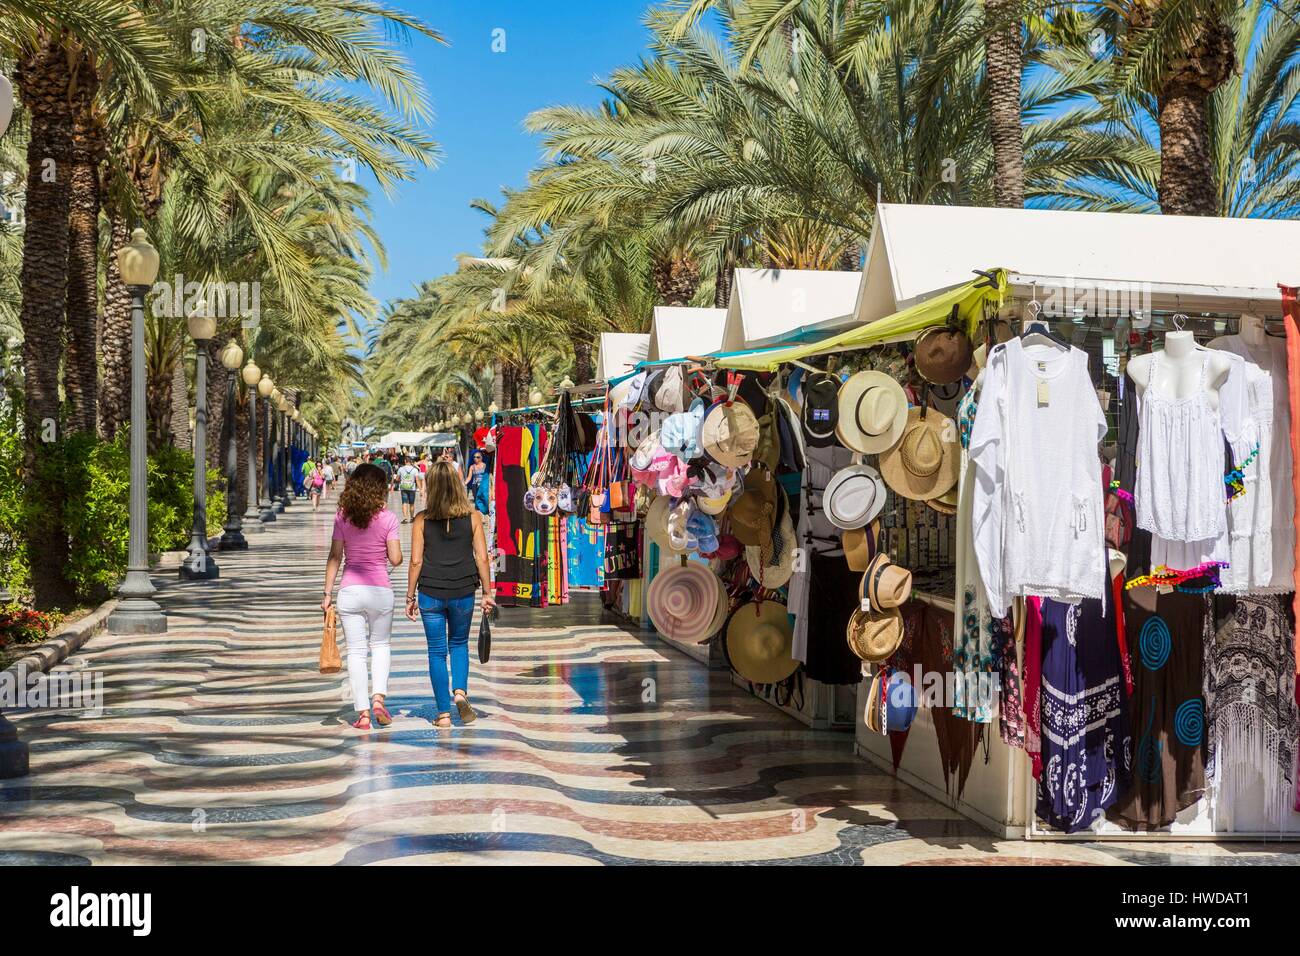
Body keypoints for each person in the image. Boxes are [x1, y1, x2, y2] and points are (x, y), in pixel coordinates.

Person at [406, 460, 496, 729]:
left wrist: (410, 596)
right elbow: (482, 558)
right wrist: (488, 593)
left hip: (430, 593)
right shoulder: (473, 517)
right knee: (458, 644)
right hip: (463, 591)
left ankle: (443, 714)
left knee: (436, 651)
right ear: (458, 485)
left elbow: (415, 561)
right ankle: (460, 692)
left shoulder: (421, 520)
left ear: (430, 487)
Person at [322, 463, 402, 731]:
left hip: (349, 591)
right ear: (380, 488)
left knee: (356, 652)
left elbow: (335, 557)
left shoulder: (342, 517)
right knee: (380, 646)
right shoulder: (389, 519)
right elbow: (396, 558)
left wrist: (326, 594)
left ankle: (364, 714)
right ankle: (379, 698)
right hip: (380, 590)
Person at [395, 455, 422, 523]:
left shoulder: (401, 469)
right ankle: (412, 517)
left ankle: (405, 518)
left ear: (405, 461)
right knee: (411, 503)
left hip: (403, 488)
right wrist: (421, 489)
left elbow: (397, 479)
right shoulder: (415, 469)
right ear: (411, 461)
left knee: (404, 503)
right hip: (412, 488)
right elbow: (417, 480)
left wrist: (399, 480)